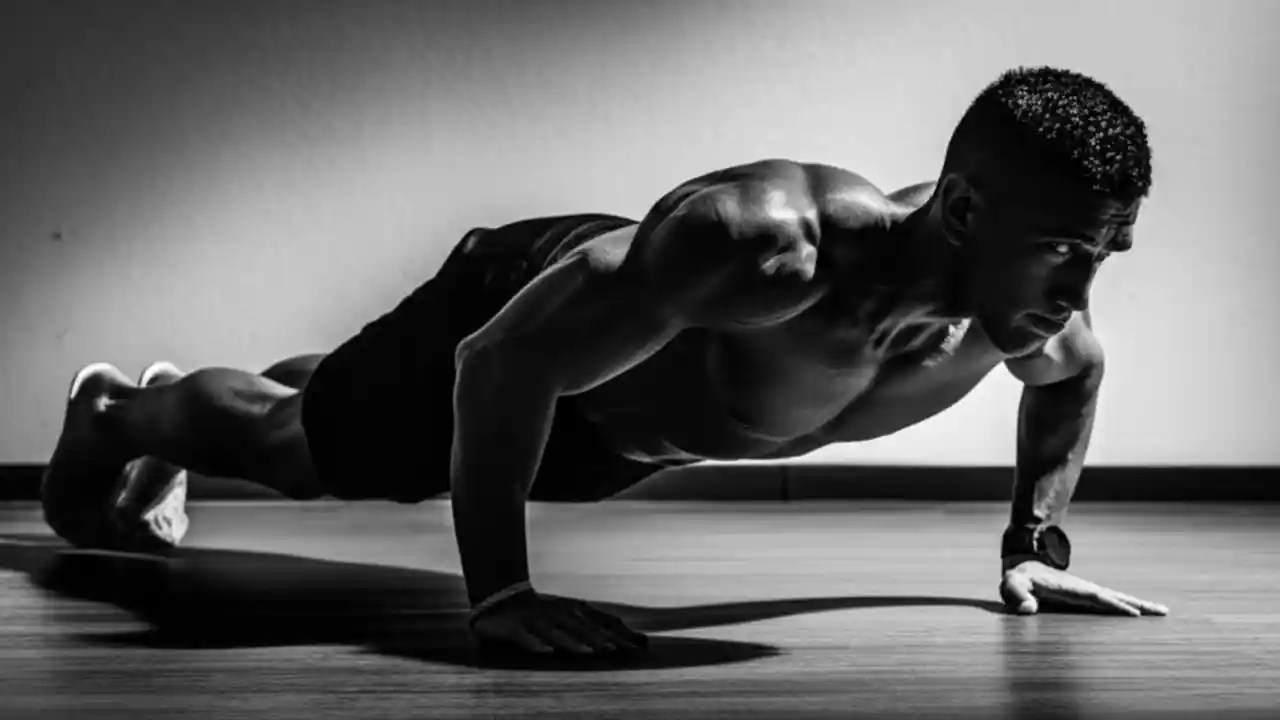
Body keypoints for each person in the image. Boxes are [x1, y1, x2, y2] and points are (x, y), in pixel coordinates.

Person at [40, 65, 1170, 659]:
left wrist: (1032, 546)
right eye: (1065, 254)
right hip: (520, 315)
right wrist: (502, 597)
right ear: (965, 210)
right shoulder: (764, 247)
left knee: (349, 404)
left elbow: (1073, 376)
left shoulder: (1021, 318)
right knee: (306, 457)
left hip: (616, 426)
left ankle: (318, 385)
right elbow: (494, 363)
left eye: (1106, 255)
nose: (1077, 295)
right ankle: (119, 416)